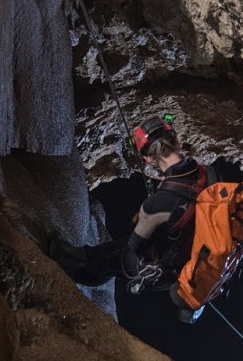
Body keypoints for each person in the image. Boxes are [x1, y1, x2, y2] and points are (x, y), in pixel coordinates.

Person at [52, 118, 214, 296]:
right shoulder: (209, 173)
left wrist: (148, 216)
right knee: (114, 247)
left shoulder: (155, 205)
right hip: (201, 258)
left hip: (168, 271)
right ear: (177, 142)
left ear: (148, 159)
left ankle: (75, 270)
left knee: (117, 257)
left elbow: (135, 246)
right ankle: (81, 253)